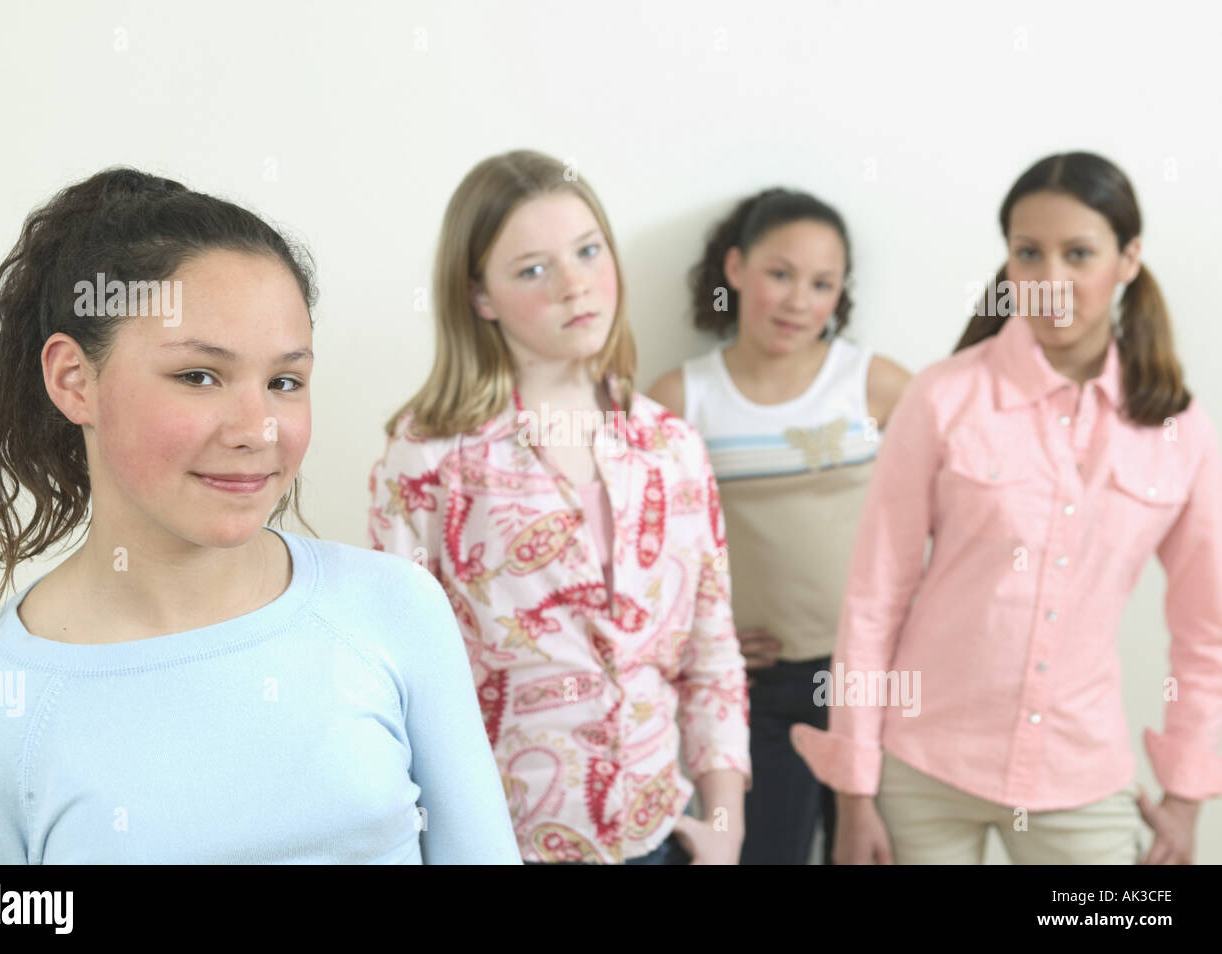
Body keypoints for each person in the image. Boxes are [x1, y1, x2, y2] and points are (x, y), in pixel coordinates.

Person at [0, 167, 520, 864]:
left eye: (284, 382)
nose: (258, 429)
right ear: (73, 380)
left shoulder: (396, 609)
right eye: (199, 376)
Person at [792, 151, 1222, 864]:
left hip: (1080, 778)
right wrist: (855, 793)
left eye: (1078, 253)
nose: (1050, 282)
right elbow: (874, 600)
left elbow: (1205, 633)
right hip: (922, 769)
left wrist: (1185, 800)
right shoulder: (941, 397)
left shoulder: (1179, 431)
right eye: (1029, 253)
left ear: (1128, 259)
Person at [368, 149, 751, 864]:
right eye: (533, 269)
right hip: (499, 846)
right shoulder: (428, 460)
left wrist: (725, 826)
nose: (576, 286)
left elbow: (712, 652)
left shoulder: (673, 446)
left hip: (662, 839)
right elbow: (397, 684)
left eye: (588, 251)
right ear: (479, 296)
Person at [648, 187, 910, 864]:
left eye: (822, 283)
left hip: (877, 682)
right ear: (735, 268)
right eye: (780, 274)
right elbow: (638, 555)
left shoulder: (874, 385)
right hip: (758, 692)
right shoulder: (682, 399)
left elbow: (957, 513)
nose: (799, 301)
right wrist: (697, 640)